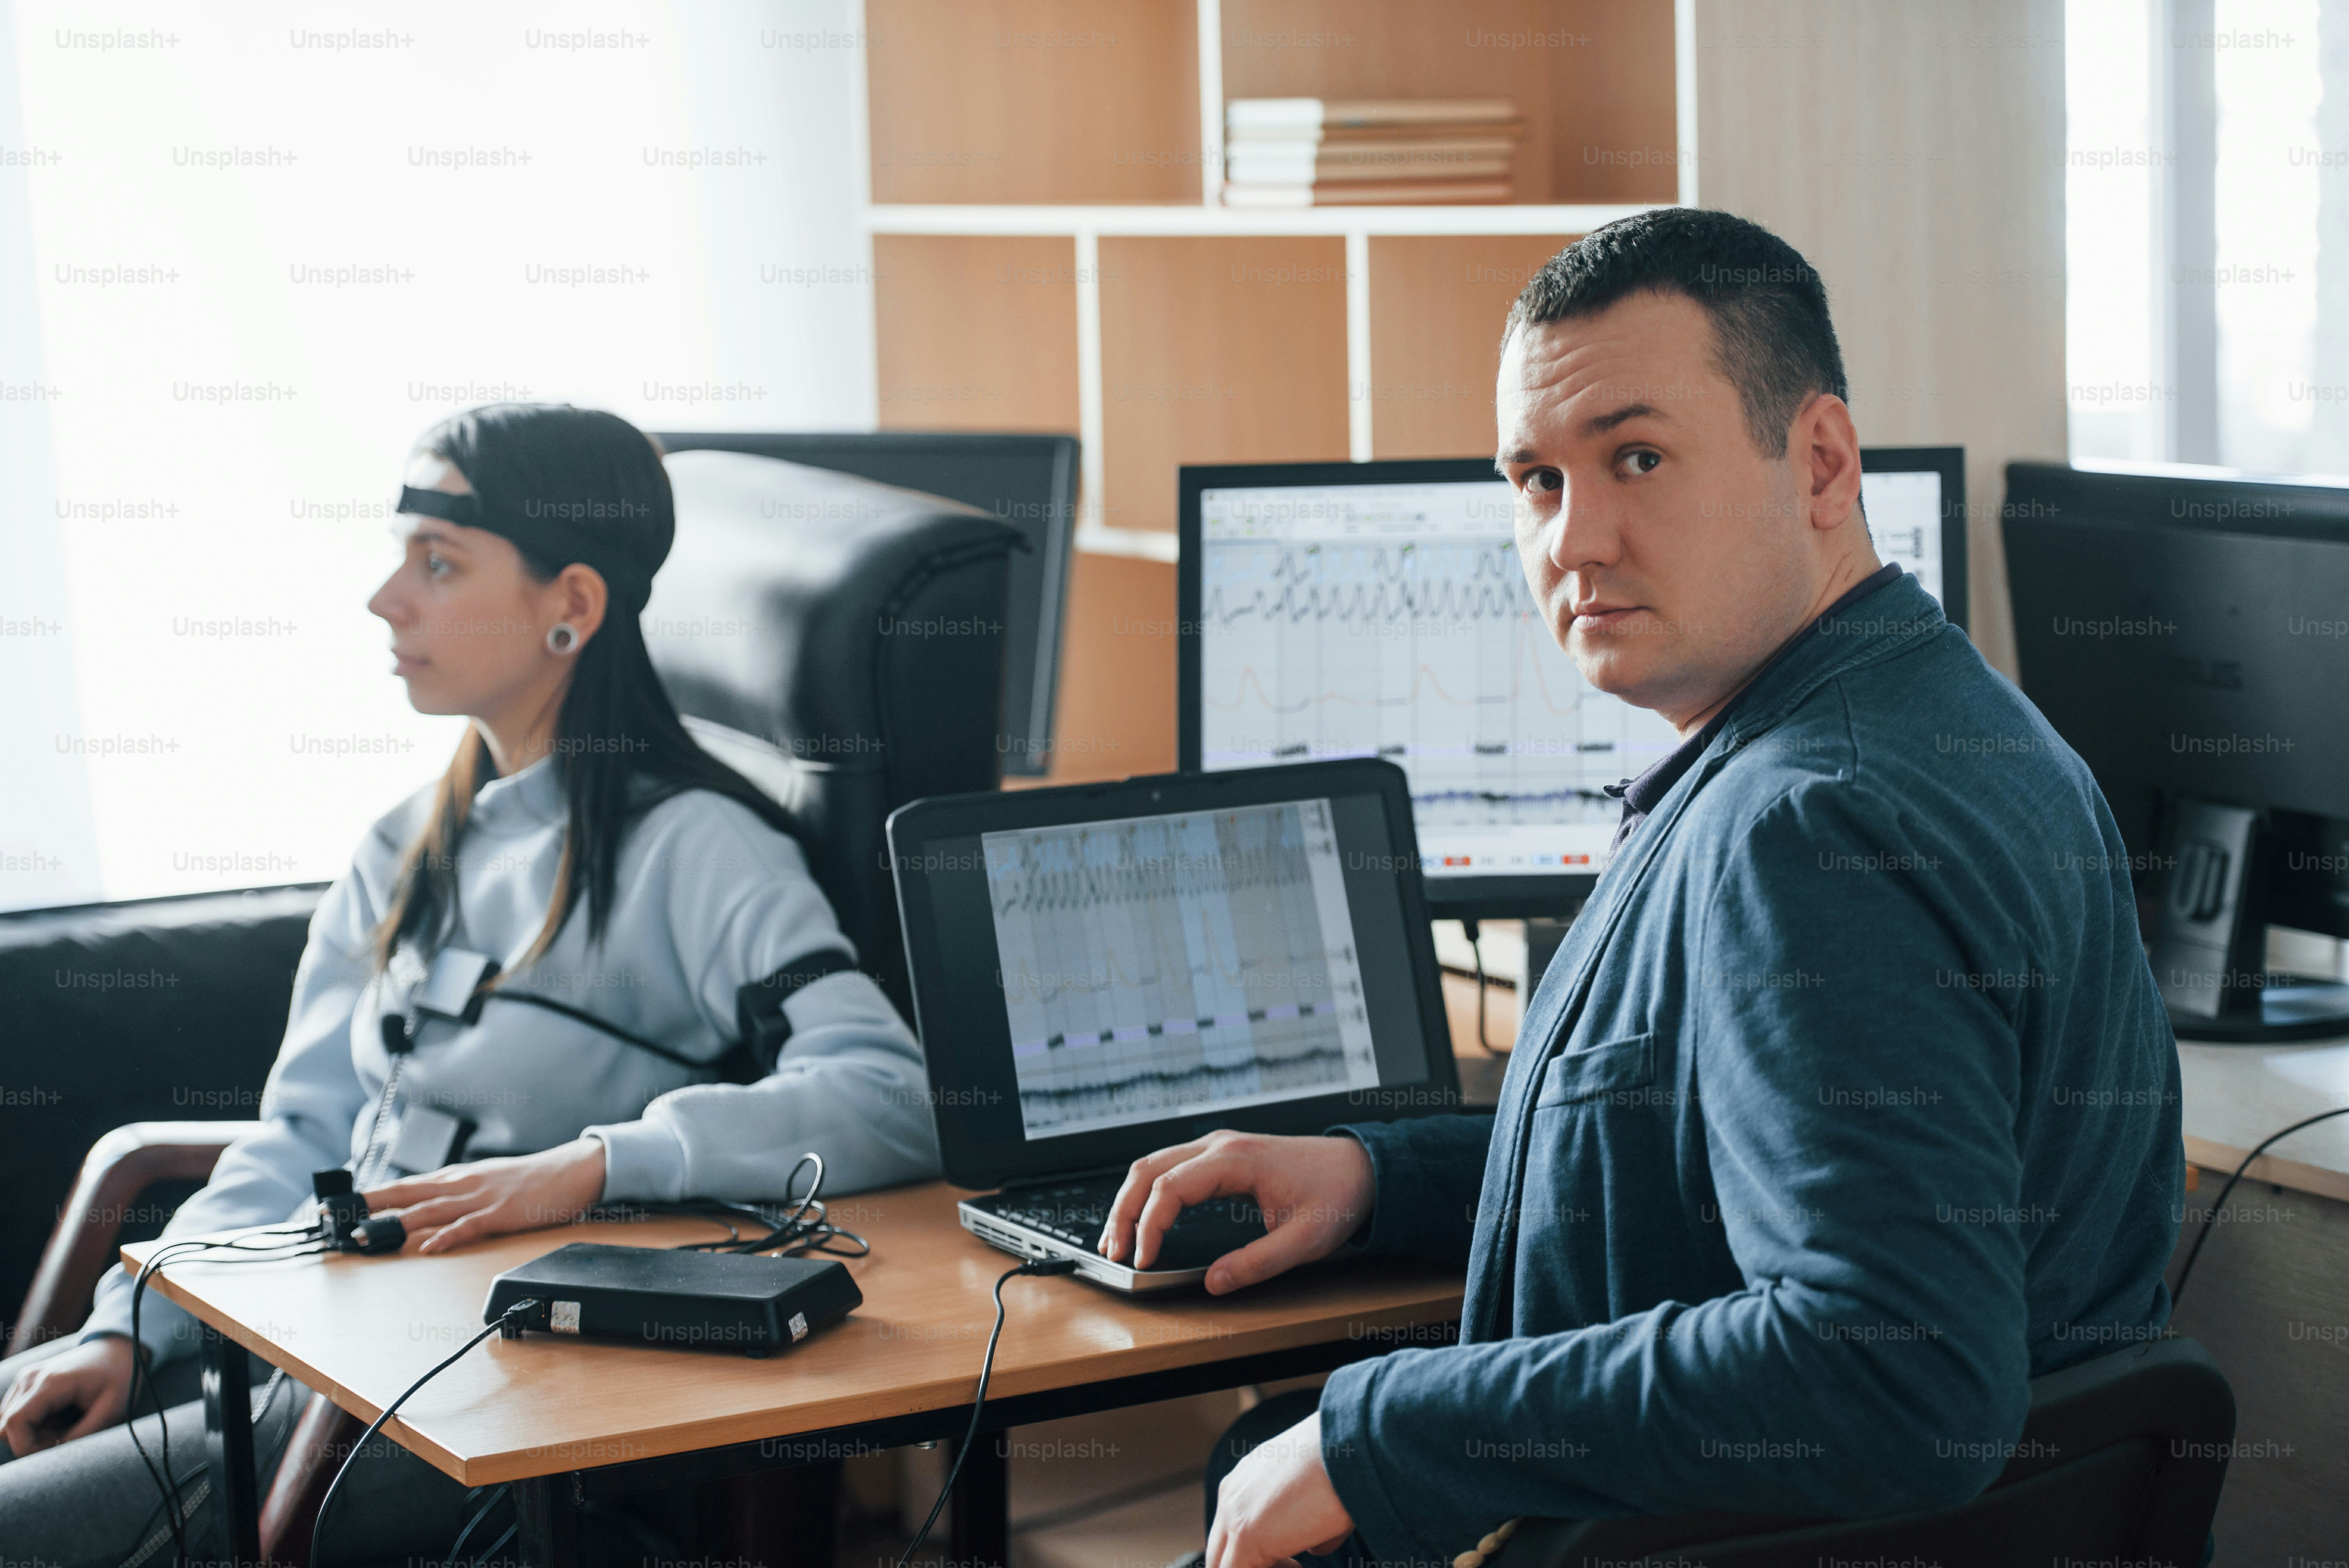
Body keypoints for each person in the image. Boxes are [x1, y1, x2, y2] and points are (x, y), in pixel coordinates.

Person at [1101, 210, 2183, 1568]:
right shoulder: (1952, 724)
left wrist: (1377, 1435)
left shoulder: (1806, 825)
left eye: (1638, 458)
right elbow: (1696, 1145)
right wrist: (1378, 1178)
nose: (1574, 541)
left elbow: (1895, 1373)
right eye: (1537, 482)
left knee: (1270, 1457)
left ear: (1823, 464)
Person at [0, 404, 939, 1564]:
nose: (387, 600)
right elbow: (302, 1131)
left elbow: (894, 1094)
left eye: (437, 564)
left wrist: (599, 1162)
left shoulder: (699, 852)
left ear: (574, 607)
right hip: (293, 1337)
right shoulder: (406, 843)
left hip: (452, 1401)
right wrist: (131, 1332)